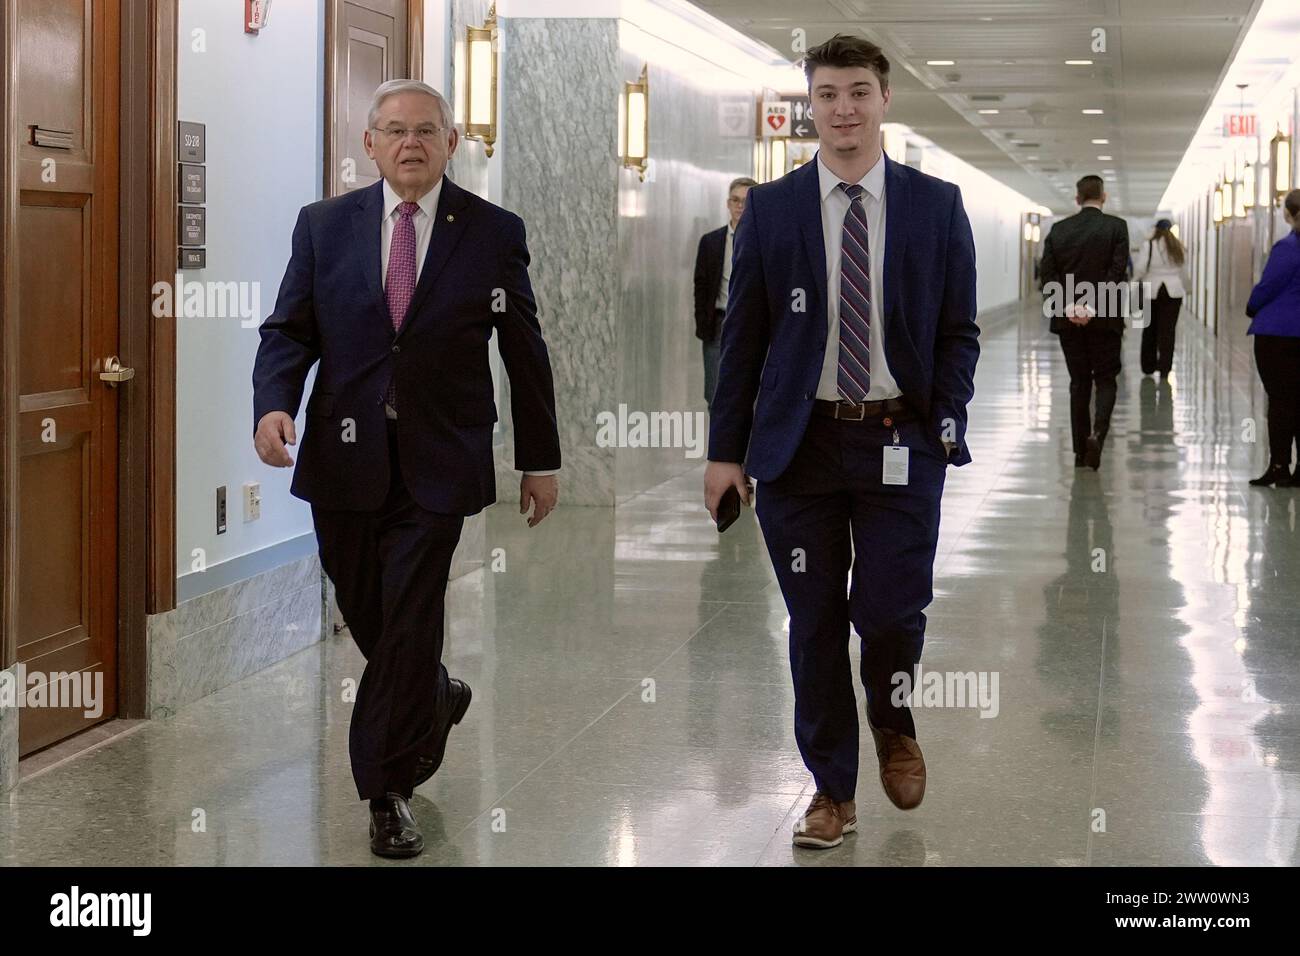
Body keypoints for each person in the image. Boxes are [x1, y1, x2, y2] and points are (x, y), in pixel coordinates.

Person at [252, 79, 561, 858]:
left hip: (442, 458)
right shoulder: (324, 227)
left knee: (412, 611)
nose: (411, 143)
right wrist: (273, 403)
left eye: (427, 130)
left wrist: (539, 460)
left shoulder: (492, 232)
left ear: (452, 142)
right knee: (371, 611)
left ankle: (385, 791)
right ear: (370, 144)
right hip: (343, 456)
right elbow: (289, 328)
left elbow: (524, 352)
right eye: (394, 130)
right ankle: (435, 693)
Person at [704, 34, 979, 850]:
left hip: (901, 439)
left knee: (891, 607)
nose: (843, 110)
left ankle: (893, 722)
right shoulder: (776, 210)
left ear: (884, 99)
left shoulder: (936, 205)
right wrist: (725, 452)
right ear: (809, 108)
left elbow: (958, 330)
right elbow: (742, 338)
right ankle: (832, 788)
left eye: (858, 91)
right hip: (800, 448)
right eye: (827, 95)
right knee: (814, 619)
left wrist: (948, 412)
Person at [1039, 174, 1130, 470]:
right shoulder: (1117, 227)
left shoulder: (1059, 230)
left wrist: (1069, 307)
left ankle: (1080, 451)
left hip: (1068, 322)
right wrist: (1092, 306)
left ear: (1077, 199)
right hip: (1106, 319)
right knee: (1106, 380)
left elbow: (1047, 276)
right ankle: (1098, 436)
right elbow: (1117, 272)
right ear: (1103, 197)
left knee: (1079, 383)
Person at [1245, 188, 1300, 487]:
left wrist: (1251, 306)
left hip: (1278, 334)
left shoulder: (1287, 248)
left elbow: (1268, 286)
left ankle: (1279, 465)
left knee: (1280, 400)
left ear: (1287, 215)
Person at [694, 178, 755, 410]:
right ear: (728, 204)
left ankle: (748, 445)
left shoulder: (766, 240)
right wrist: (703, 324)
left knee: (751, 393)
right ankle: (720, 445)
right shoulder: (711, 242)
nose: (740, 206)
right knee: (715, 392)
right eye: (735, 200)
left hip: (752, 325)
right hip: (719, 323)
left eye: (746, 202)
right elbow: (700, 286)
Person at [1134, 218, 1186, 378]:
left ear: (1156, 229)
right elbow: (1184, 270)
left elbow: (1141, 268)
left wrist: (1135, 280)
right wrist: (1187, 289)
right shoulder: (1178, 247)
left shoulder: (1149, 245)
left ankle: (1148, 366)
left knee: (1149, 329)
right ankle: (1165, 367)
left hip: (1151, 291)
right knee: (1168, 331)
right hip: (1173, 292)